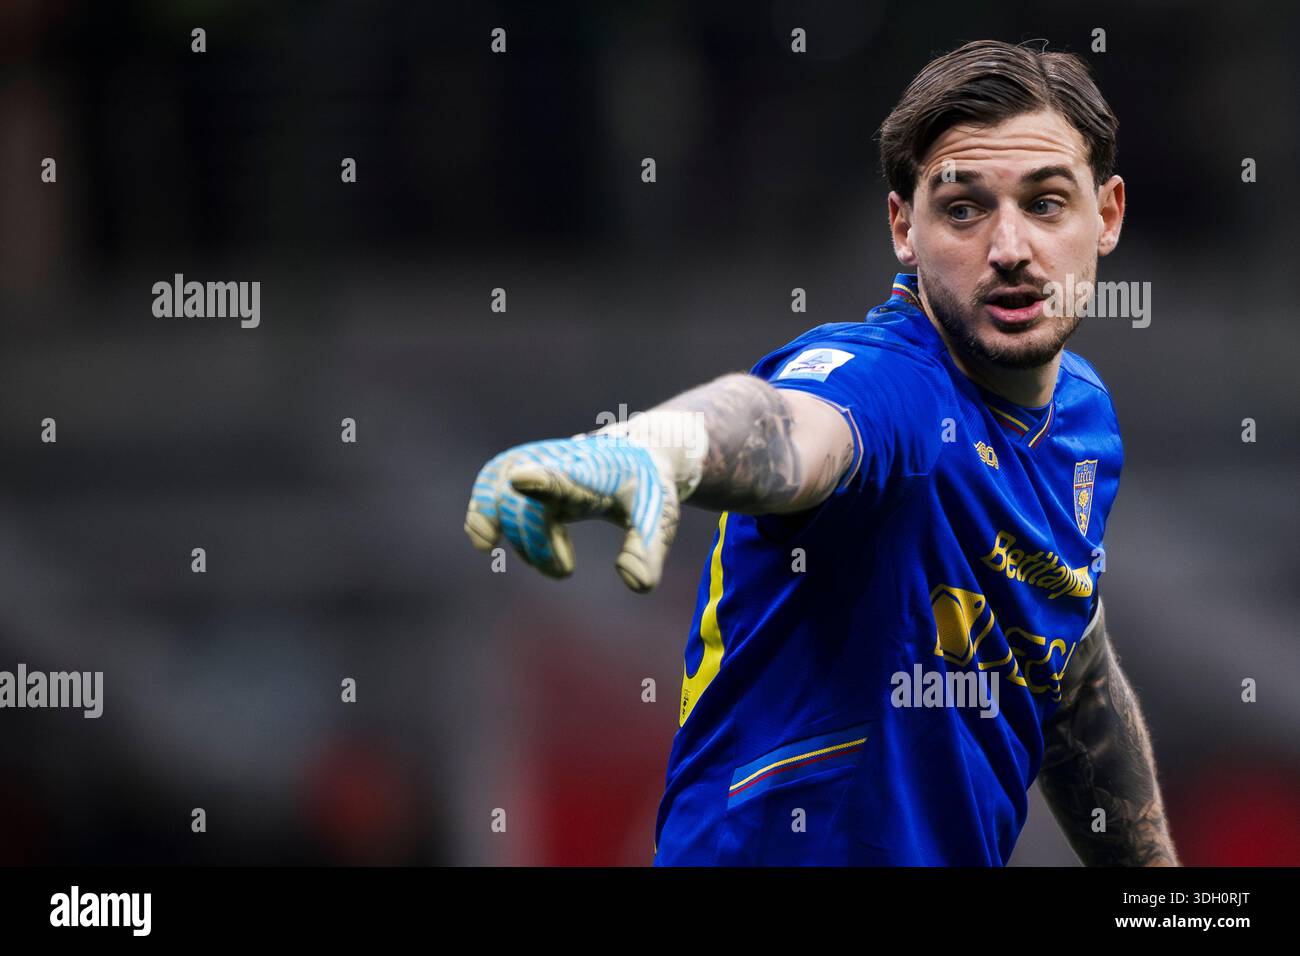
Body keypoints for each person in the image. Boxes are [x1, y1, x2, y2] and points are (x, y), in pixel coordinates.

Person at [465, 39, 1179, 866]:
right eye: (962, 208)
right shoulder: (891, 387)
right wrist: (656, 446)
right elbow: (781, 428)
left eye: (1047, 203)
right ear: (902, 228)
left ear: (1109, 214)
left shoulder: (1084, 421)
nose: (1010, 246)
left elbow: (1075, 672)